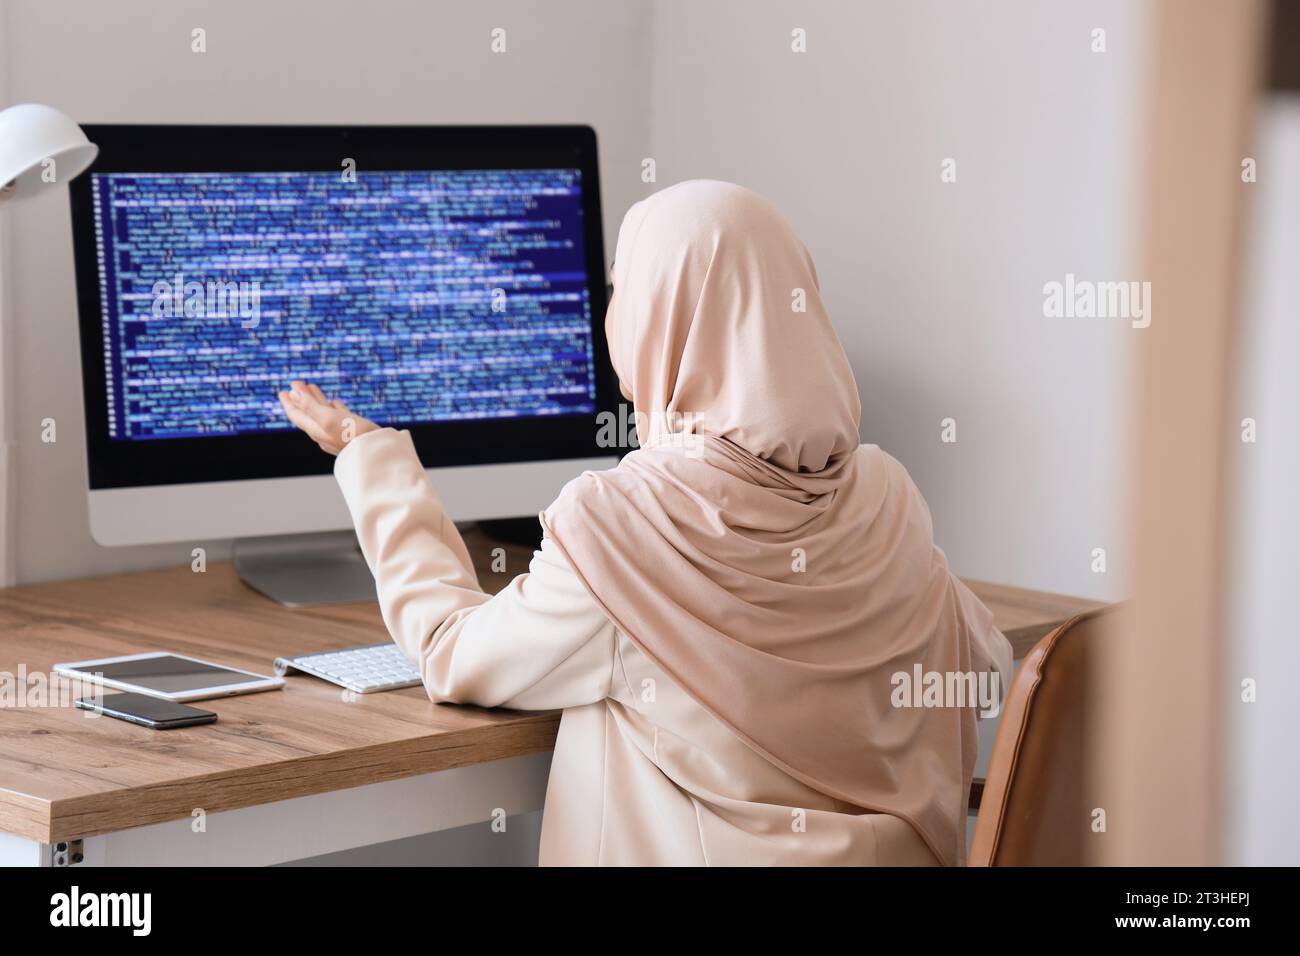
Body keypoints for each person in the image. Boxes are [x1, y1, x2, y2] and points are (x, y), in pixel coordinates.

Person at [278, 180, 1013, 866]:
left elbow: (449, 653)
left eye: (623, 292)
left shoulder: (627, 525)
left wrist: (369, 457)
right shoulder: (888, 497)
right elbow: (982, 664)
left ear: (658, 320)